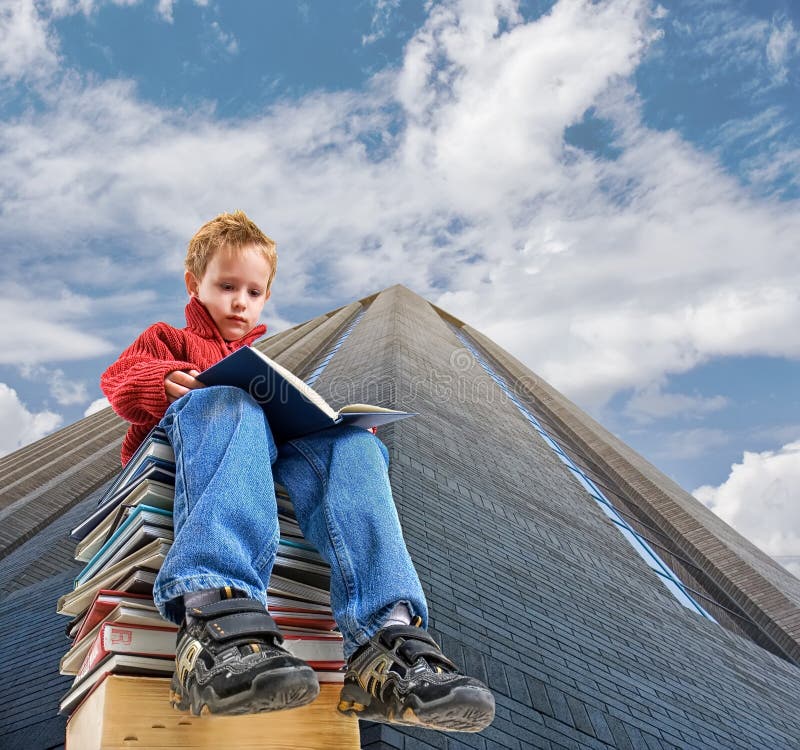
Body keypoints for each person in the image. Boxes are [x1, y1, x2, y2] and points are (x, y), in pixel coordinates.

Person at [100, 210, 495, 732]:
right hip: (196, 444)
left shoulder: (260, 362)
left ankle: (388, 645)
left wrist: (332, 435)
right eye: (226, 286)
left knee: (353, 444)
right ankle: (216, 622)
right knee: (231, 404)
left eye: (254, 292)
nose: (241, 302)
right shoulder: (167, 339)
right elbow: (120, 381)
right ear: (195, 284)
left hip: (261, 454)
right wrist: (165, 379)